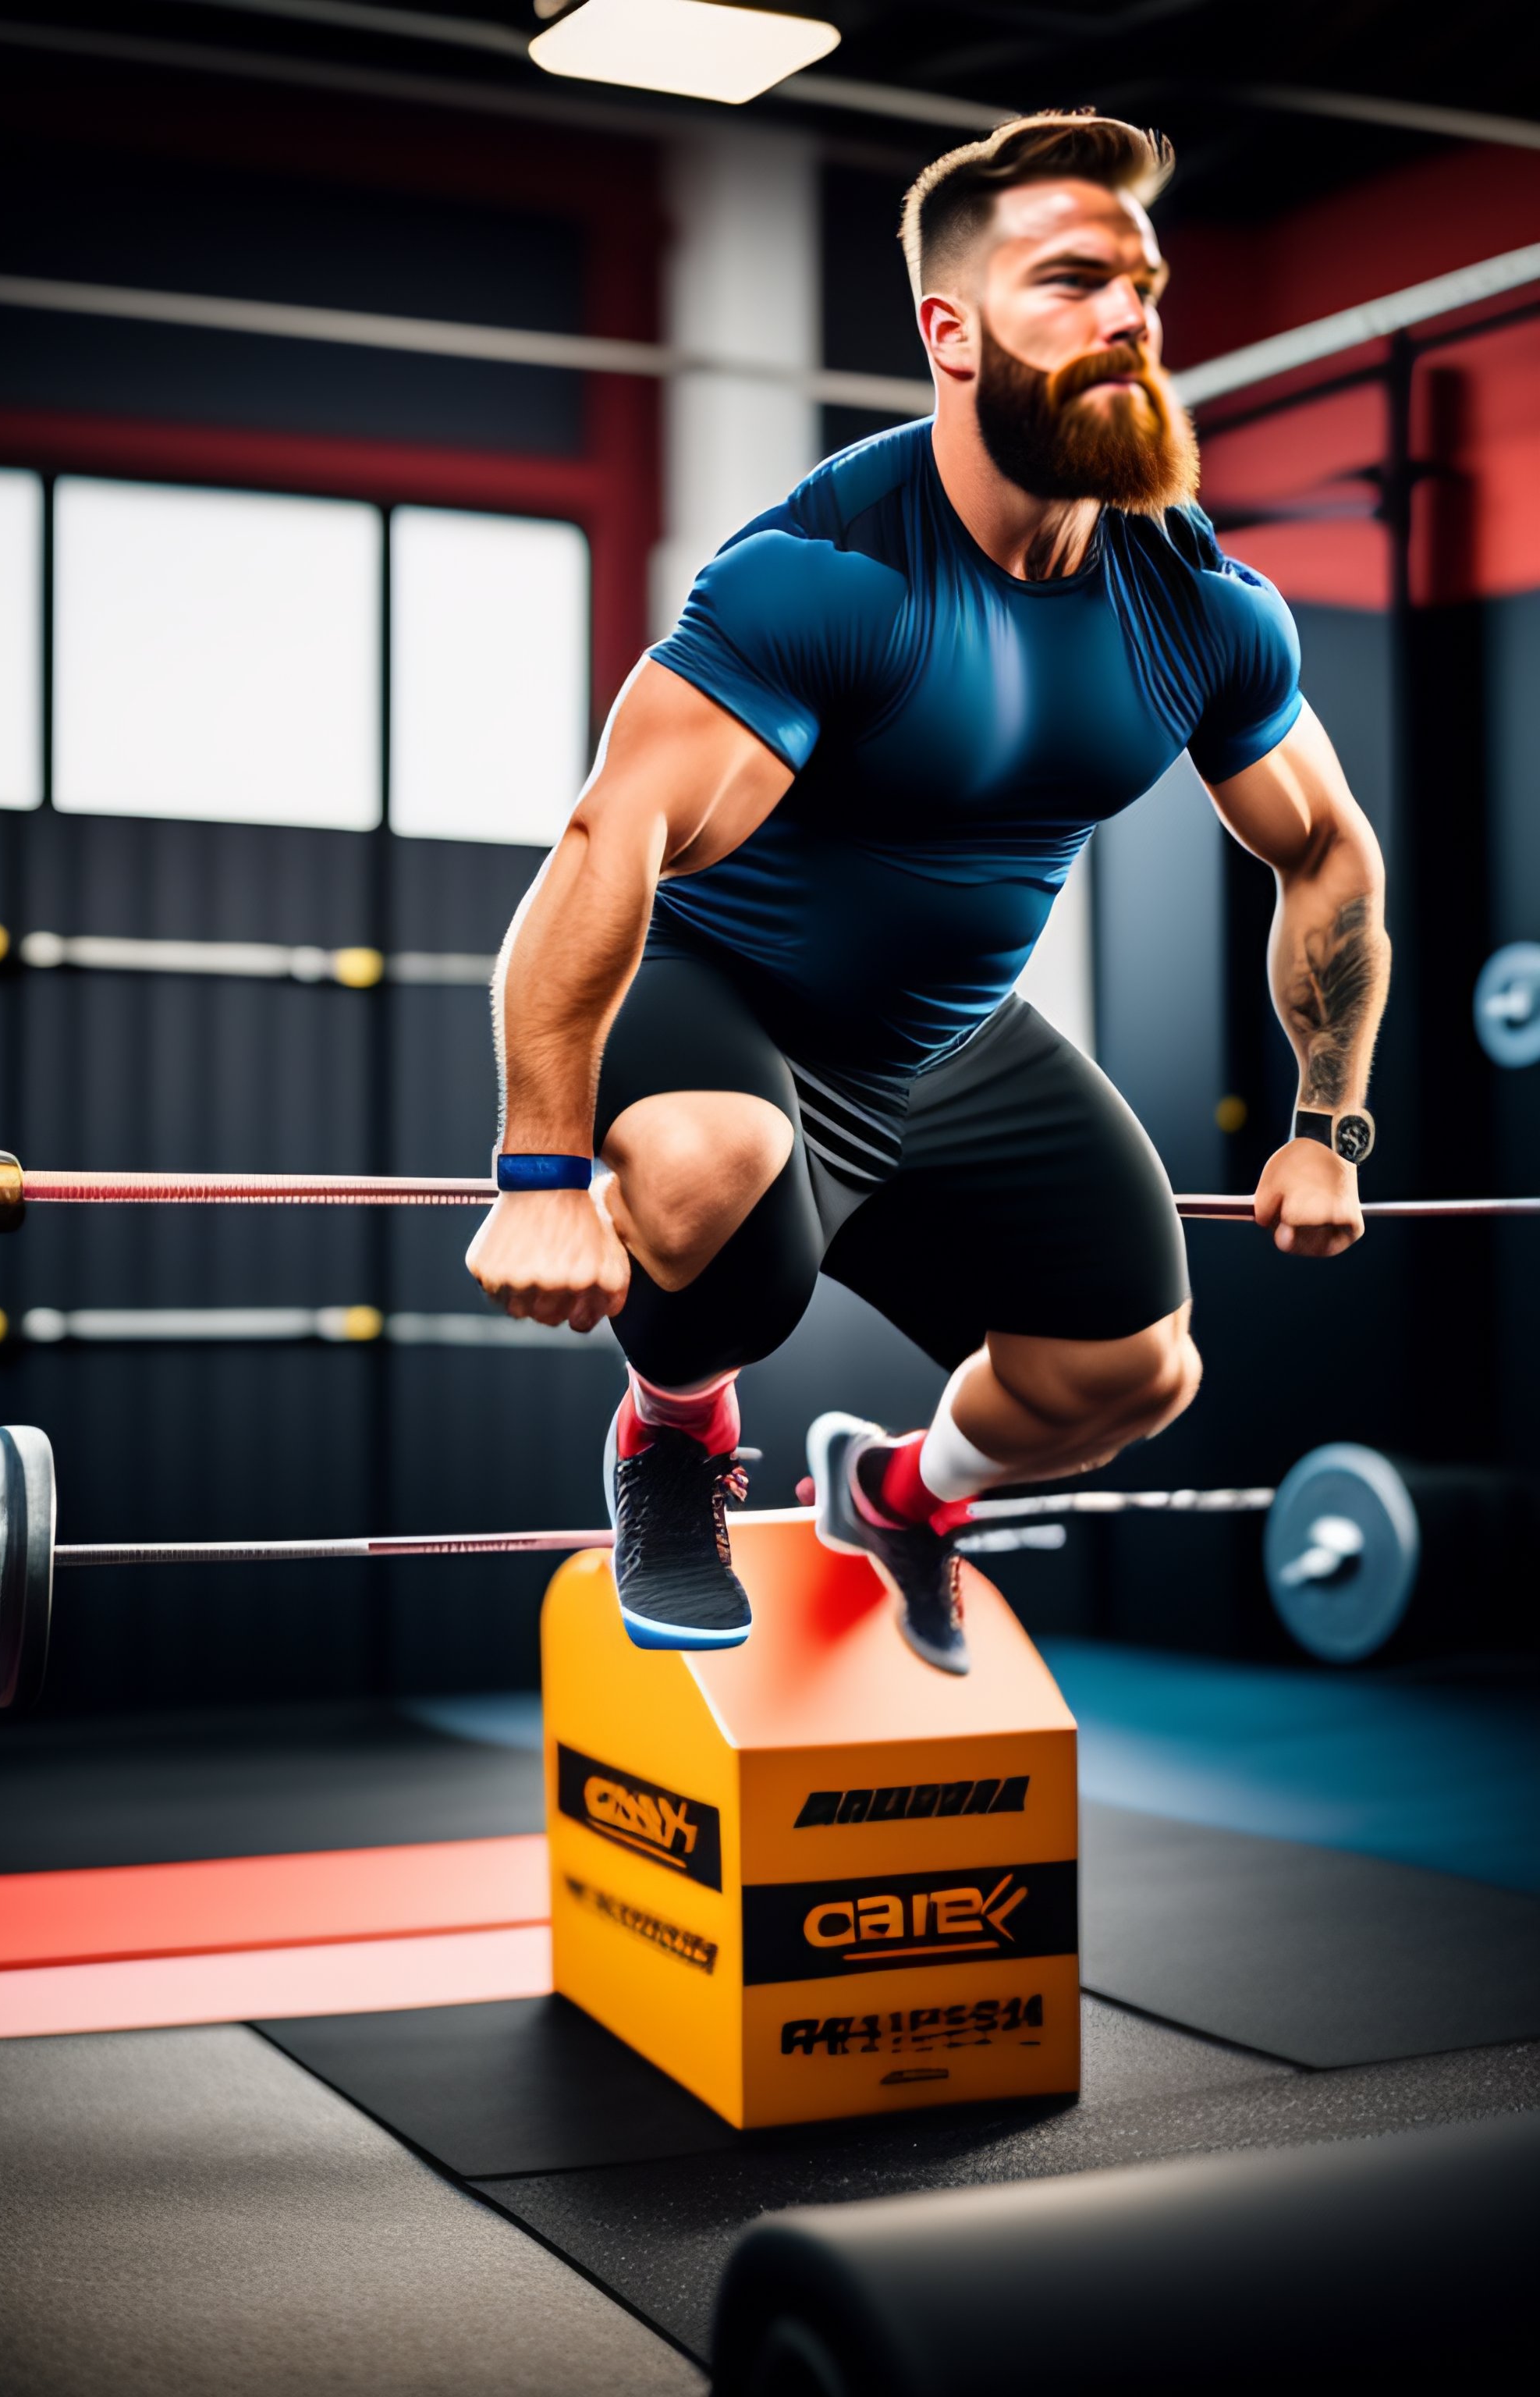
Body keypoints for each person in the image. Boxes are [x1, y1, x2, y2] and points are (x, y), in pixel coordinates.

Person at [467, 110, 1389, 1674]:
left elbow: (1325, 851)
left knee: (1130, 1374)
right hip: (728, 999)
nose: (1126, 322)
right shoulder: (831, 578)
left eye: (1143, 289)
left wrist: (1325, 1130)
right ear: (947, 332)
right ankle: (672, 1434)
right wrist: (545, 1175)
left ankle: (901, 1491)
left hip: (951, 1043)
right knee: (704, 1173)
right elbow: (609, 837)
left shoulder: (1200, 604)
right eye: (1072, 281)